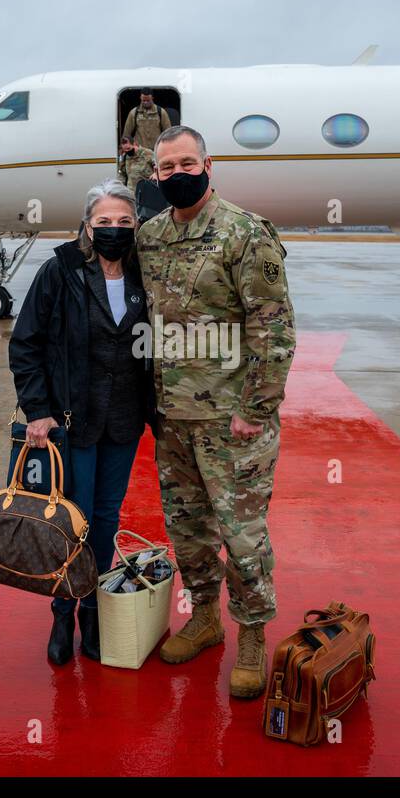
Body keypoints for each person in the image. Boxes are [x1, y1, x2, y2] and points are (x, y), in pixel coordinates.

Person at [136, 125, 296, 699]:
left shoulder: (243, 232)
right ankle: (204, 618)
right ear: (154, 176)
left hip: (233, 420)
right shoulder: (150, 236)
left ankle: (252, 634)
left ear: (208, 165)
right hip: (173, 416)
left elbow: (273, 328)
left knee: (242, 534)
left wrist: (256, 408)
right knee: (187, 528)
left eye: (186, 162)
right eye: (166, 167)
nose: (177, 173)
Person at [9, 178, 155, 666]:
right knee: (74, 518)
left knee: (108, 519)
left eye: (124, 222)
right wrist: (37, 410)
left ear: (136, 227)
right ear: (87, 227)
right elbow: (25, 343)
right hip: (73, 421)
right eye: (104, 222)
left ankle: (93, 611)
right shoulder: (60, 272)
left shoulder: (144, 274)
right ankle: (62, 611)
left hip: (124, 421)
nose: (114, 230)